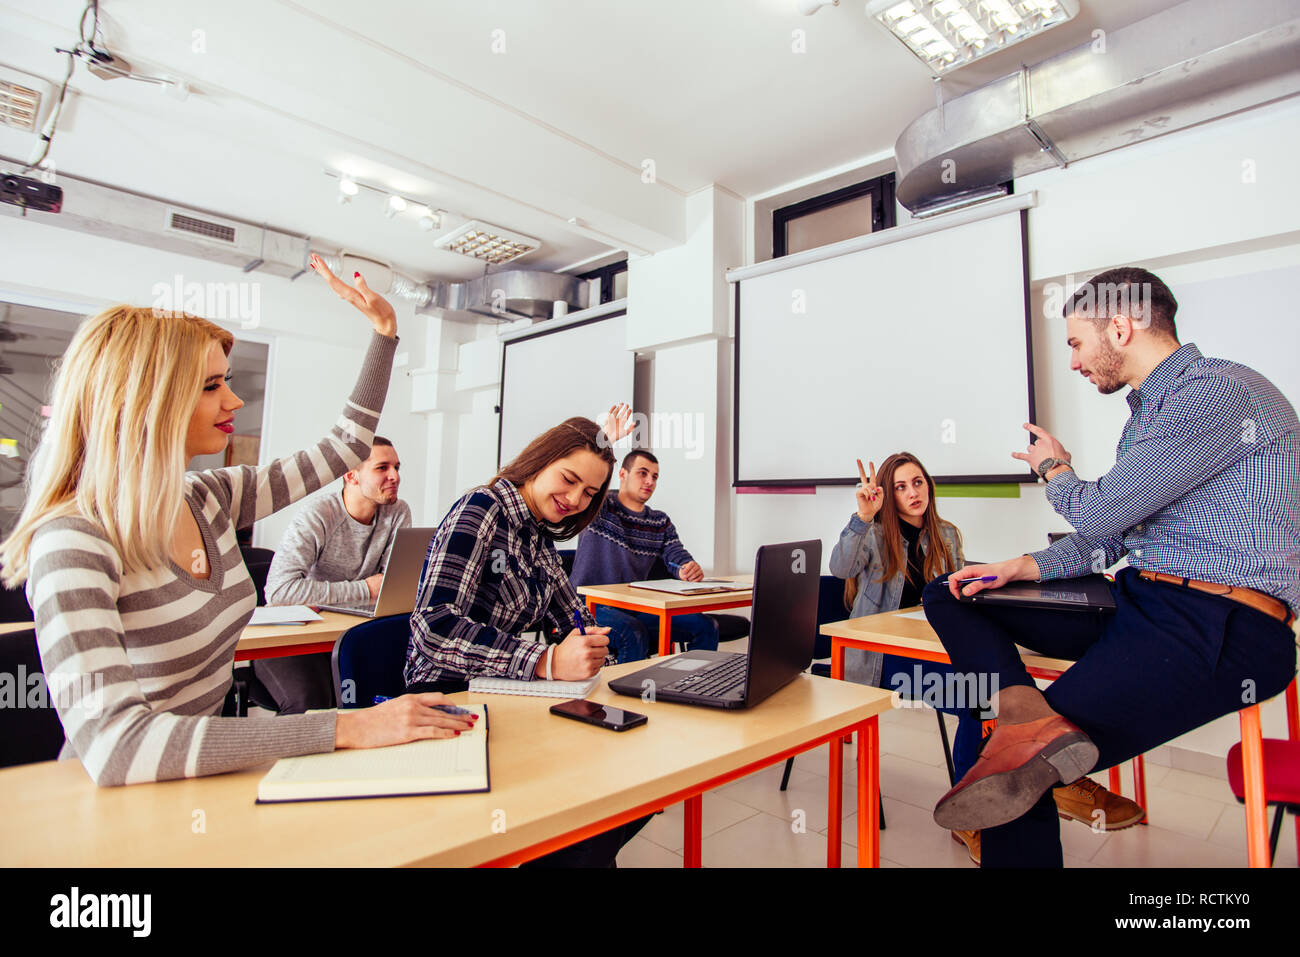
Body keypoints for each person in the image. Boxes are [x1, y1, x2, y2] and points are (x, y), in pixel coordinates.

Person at [0, 254, 473, 787]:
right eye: (210, 386)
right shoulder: (73, 541)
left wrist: (384, 334)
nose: (235, 398)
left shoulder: (210, 498)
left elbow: (342, 449)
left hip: (207, 778)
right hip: (123, 806)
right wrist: (344, 727)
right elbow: (118, 748)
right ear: (144, 402)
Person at [922, 266, 1299, 867]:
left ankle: (1027, 742)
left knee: (1014, 772)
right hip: (1141, 599)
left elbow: (1100, 512)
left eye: (1075, 343)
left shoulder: (1217, 393)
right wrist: (1024, 566)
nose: (1073, 361)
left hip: (1217, 622)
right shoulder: (1152, 411)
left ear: (1119, 327)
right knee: (951, 590)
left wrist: (1055, 469)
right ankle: (1028, 714)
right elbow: (1110, 540)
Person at [404, 408, 649, 865]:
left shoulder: (537, 535)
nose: (575, 499)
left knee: (634, 784)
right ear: (540, 461)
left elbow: (568, 613)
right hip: (447, 693)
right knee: (585, 819)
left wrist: (589, 644)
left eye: (590, 492)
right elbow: (432, 627)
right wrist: (547, 661)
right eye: (569, 479)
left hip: (506, 692)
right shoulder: (482, 509)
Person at [253, 437, 412, 713]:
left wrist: (380, 588)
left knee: (387, 693)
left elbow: (390, 584)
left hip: (347, 631)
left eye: (397, 467)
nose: (395, 476)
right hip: (294, 637)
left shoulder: (397, 511)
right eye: (382, 468)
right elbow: (279, 591)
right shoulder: (318, 515)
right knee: (310, 702)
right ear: (351, 475)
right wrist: (365, 589)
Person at [569, 449, 719, 662]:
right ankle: (628, 693)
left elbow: (675, 554)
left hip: (635, 607)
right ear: (622, 474)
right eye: (643, 473)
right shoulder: (600, 507)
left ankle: (691, 689)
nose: (650, 481)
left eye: (655, 476)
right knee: (633, 633)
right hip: (588, 607)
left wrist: (686, 567)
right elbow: (588, 478)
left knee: (706, 627)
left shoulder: (659, 521)